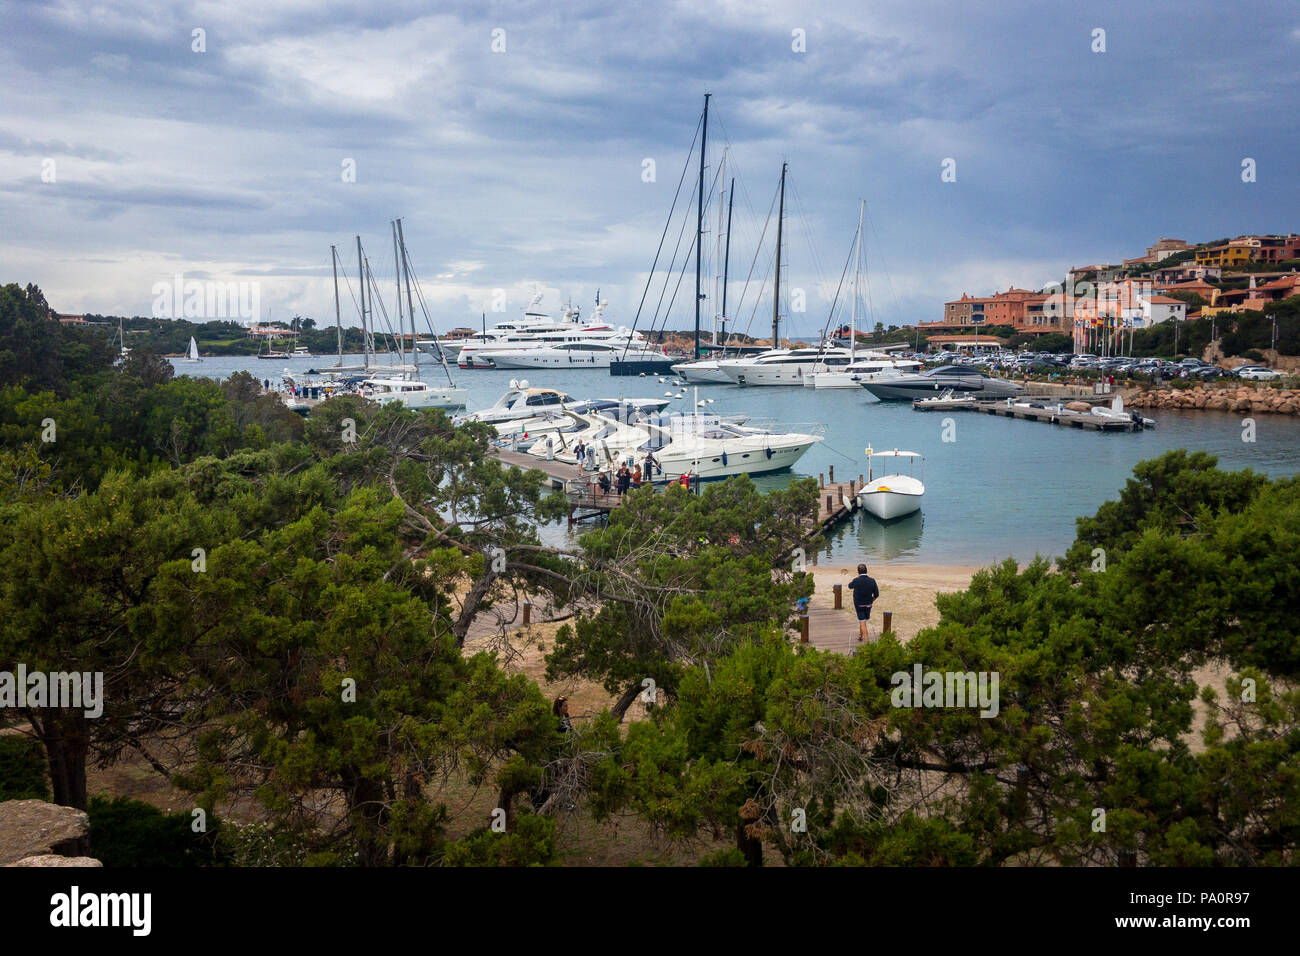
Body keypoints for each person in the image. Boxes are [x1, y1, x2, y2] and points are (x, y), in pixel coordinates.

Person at [847, 563, 880, 643]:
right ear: (867, 570)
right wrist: (872, 600)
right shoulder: (872, 581)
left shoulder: (856, 580)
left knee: (862, 622)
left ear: (858, 572)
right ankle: (860, 635)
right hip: (868, 604)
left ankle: (867, 643)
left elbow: (849, 586)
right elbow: (876, 594)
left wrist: (856, 579)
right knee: (863, 620)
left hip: (859, 604)